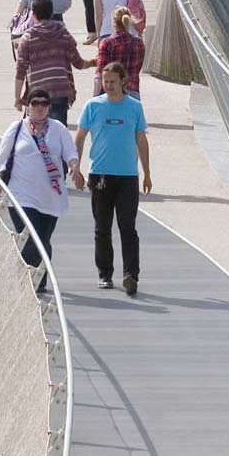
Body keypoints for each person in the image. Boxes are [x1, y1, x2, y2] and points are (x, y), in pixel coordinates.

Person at [0, 89, 83, 293]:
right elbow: (2, 158)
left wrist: (75, 167)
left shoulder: (58, 129)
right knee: (30, 239)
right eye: (35, 103)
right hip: (21, 195)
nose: (40, 107)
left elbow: (70, 152)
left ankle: (40, 279)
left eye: (44, 103)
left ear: (49, 106)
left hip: (50, 196)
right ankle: (26, 283)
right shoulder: (16, 128)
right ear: (28, 106)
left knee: (43, 241)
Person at [75, 60, 151, 295]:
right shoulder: (93, 106)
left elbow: (141, 139)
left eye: (112, 82)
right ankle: (105, 274)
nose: (108, 85)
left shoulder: (134, 107)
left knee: (128, 227)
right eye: (105, 81)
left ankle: (131, 275)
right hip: (100, 175)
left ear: (123, 82)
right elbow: (79, 137)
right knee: (102, 228)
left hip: (128, 176)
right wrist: (76, 169)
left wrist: (147, 173)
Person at [13, 0, 94, 122]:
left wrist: (17, 98)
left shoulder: (27, 38)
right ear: (52, 13)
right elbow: (78, 63)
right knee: (58, 131)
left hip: (37, 95)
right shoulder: (64, 34)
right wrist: (93, 62)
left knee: (37, 131)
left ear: (33, 15)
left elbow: (20, 71)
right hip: (60, 90)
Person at [96, 1, 145, 90]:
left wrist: (96, 95)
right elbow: (137, 68)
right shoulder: (139, 43)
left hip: (111, 91)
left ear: (113, 22)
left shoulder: (107, 43)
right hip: (132, 89)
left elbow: (101, 73)